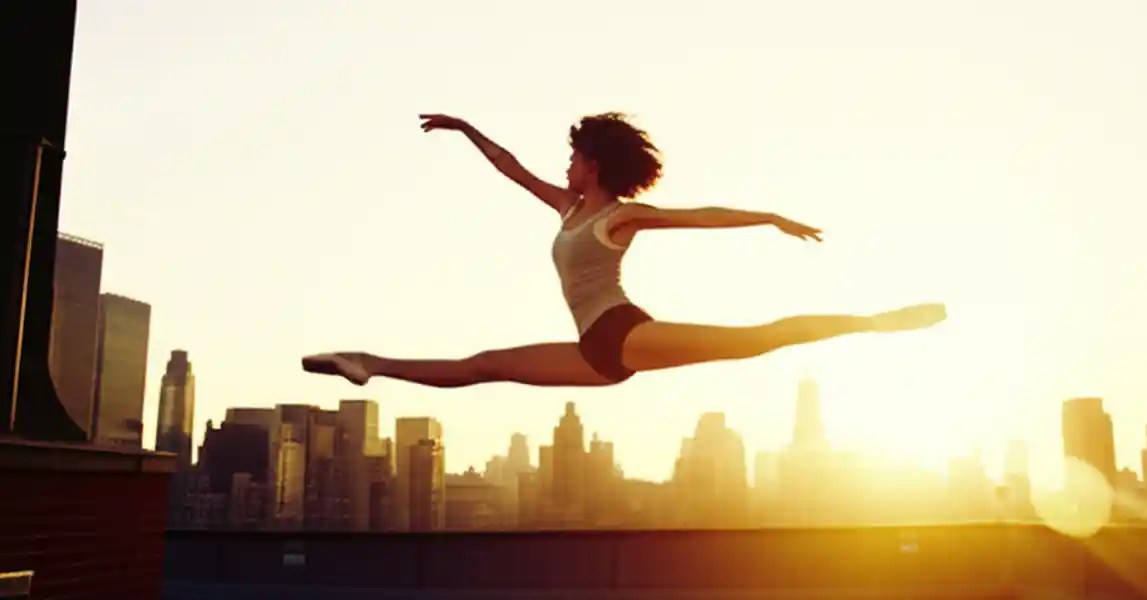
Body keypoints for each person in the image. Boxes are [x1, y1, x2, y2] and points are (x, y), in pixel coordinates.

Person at [302, 112, 946, 388]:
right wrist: (466, 128)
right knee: (485, 365)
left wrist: (769, 217)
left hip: (622, 333)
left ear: (596, 165)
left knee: (760, 337)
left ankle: (881, 321)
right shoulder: (568, 207)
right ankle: (369, 363)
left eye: (575, 157)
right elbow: (511, 168)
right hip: (593, 352)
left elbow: (699, 217)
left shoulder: (618, 217)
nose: (567, 164)